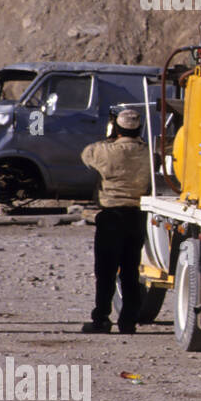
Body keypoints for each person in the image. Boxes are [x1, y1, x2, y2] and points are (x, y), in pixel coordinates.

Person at [80, 109, 151, 334]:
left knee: (106, 271)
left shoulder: (103, 151)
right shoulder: (147, 153)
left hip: (111, 216)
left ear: (115, 129)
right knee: (130, 271)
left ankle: (101, 318)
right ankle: (128, 321)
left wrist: (109, 138)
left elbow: (86, 154)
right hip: (137, 216)